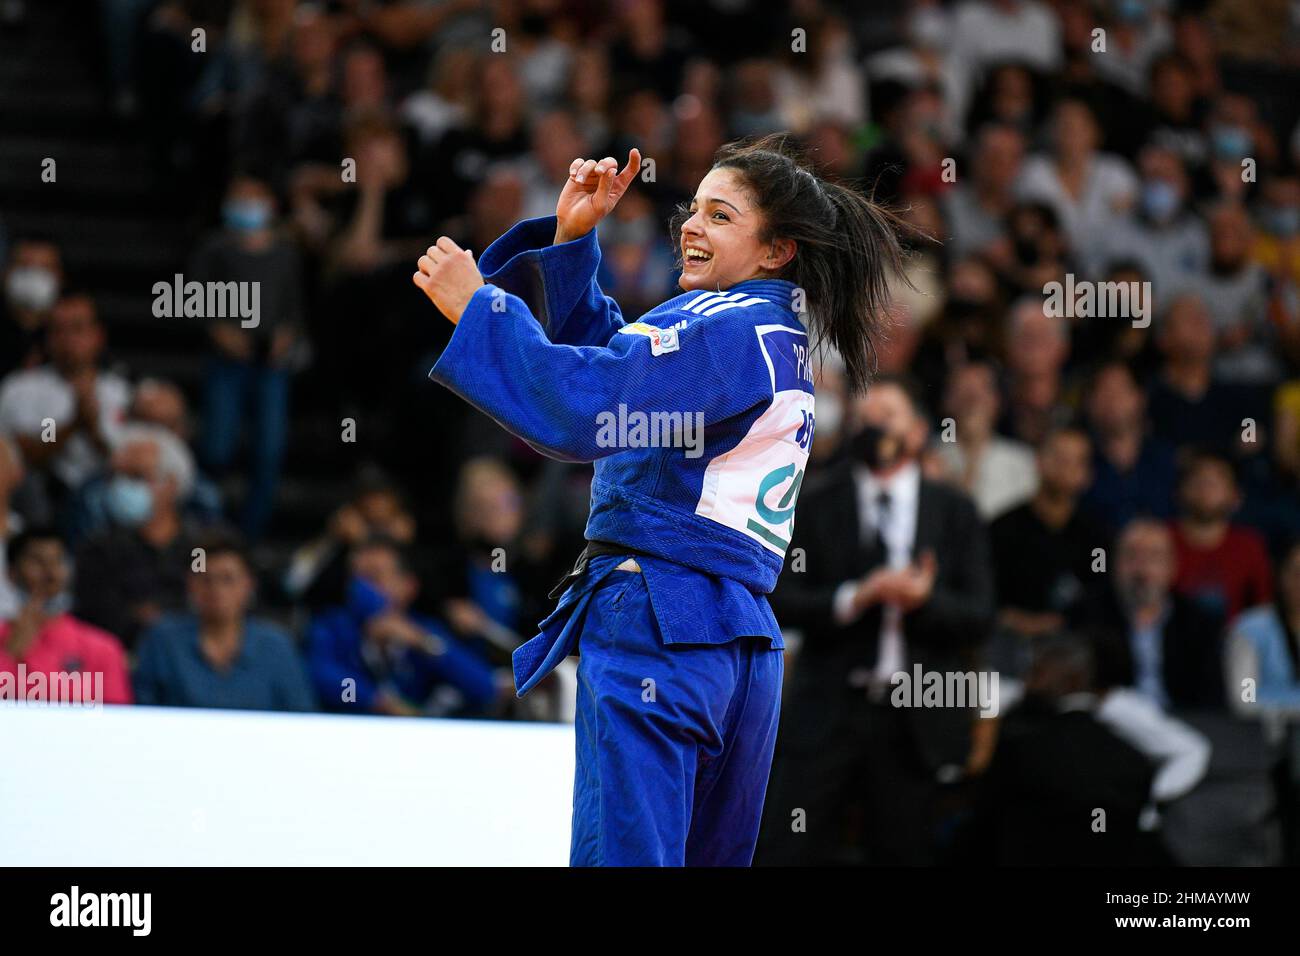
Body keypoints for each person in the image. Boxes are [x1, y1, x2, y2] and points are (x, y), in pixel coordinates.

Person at [412, 135, 906, 866]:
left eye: (721, 216)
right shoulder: (773, 334)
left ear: (777, 252)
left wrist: (480, 310)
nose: (691, 227)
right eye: (692, 209)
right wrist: (575, 247)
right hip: (738, 646)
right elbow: (631, 382)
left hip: (659, 622)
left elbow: (593, 409)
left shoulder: (729, 330)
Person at [305, 536, 501, 717]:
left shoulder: (423, 630)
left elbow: (485, 687)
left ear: (408, 587)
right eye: (356, 578)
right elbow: (320, 674)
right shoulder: (332, 626)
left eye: (373, 577)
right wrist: (377, 701)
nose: (361, 587)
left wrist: (424, 644)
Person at [133, 532, 315, 712]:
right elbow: (141, 715)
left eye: (227, 579)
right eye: (205, 579)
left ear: (249, 585)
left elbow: (301, 718)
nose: (216, 589)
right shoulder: (162, 640)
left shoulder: (276, 646)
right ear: (190, 584)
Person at [0, 528, 132, 705]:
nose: (50, 573)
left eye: (57, 561)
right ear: (12, 573)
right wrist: (8, 655)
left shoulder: (103, 648)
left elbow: (119, 721)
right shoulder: (5, 641)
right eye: (37, 561)